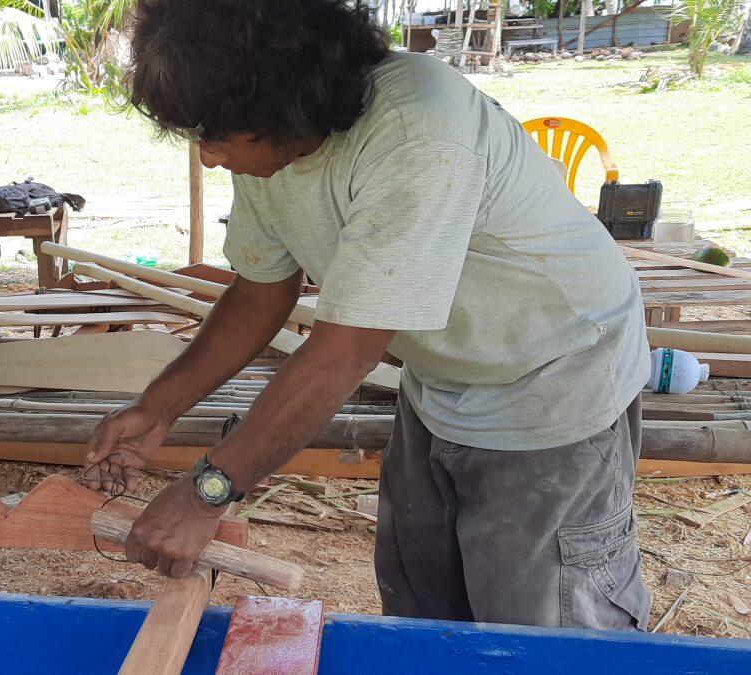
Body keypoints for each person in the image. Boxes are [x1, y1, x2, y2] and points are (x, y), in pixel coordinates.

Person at [86, 0, 652, 631]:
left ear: (284, 108)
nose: (207, 158)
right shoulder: (271, 136)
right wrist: (160, 405)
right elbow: (261, 290)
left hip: (555, 372)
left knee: (542, 625)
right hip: (446, 372)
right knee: (423, 607)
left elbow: (345, 351)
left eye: (214, 138)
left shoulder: (418, 136)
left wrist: (205, 494)